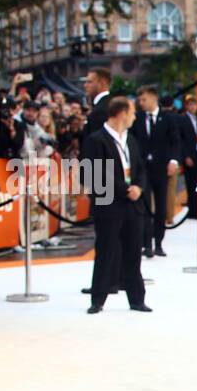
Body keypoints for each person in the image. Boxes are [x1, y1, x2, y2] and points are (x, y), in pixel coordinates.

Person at [81, 95, 150, 313]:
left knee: (133, 252)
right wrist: (125, 189)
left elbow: (139, 168)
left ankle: (137, 299)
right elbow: (99, 173)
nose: (134, 116)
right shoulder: (96, 140)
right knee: (106, 251)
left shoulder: (131, 139)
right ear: (122, 113)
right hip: (109, 205)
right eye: (132, 112)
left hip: (133, 204)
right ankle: (98, 299)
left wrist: (138, 187)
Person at [129, 86, 180, 258]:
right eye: (139, 101)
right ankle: (146, 244)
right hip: (143, 170)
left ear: (153, 98)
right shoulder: (137, 118)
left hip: (162, 169)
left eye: (144, 100)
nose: (141, 103)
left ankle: (158, 242)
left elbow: (175, 142)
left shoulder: (168, 118)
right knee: (144, 206)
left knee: (161, 206)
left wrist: (173, 161)